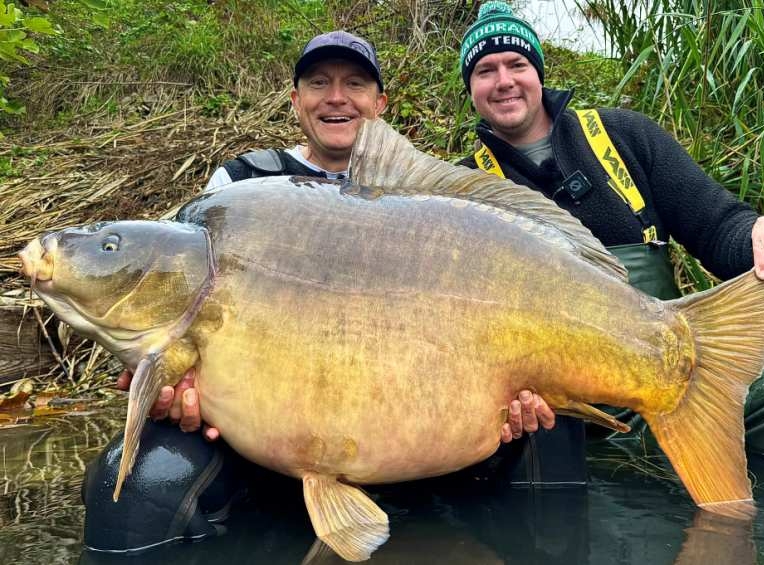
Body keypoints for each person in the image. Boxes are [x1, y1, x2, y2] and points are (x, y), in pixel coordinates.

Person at [83, 29, 560, 556]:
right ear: (295, 99)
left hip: (417, 435)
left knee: (552, 435)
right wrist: (170, 391)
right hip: (254, 445)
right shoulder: (235, 187)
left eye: (354, 84)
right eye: (318, 83)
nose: (336, 97)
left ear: (380, 103)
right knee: (130, 489)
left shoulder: (431, 199)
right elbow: (173, 312)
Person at [456, 1, 764, 473]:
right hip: (560, 419)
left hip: (680, 367)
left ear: (538, 73)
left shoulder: (623, 135)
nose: (504, 80)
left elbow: (718, 227)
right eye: (485, 71)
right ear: (471, 89)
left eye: (517, 64)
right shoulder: (460, 189)